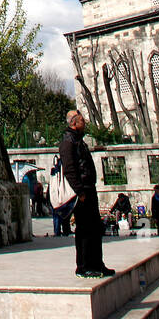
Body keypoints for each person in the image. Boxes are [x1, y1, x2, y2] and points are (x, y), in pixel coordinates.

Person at [59, 109, 115, 278]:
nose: (85, 122)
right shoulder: (68, 142)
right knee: (84, 230)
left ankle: (97, 263)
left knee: (95, 229)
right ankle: (83, 266)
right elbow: (69, 170)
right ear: (73, 123)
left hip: (89, 189)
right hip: (82, 192)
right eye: (82, 120)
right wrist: (80, 191)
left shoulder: (78, 141)